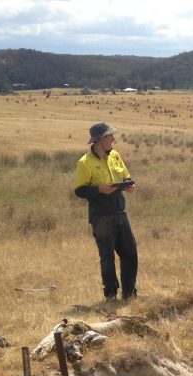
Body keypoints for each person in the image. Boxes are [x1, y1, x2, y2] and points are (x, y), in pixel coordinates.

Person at [73, 122, 139, 302]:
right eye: (110, 136)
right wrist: (99, 190)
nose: (114, 139)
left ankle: (129, 293)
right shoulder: (84, 163)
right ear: (101, 140)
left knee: (130, 252)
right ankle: (111, 294)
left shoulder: (115, 156)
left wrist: (129, 184)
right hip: (101, 215)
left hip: (120, 211)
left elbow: (126, 176)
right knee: (107, 255)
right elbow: (79, 190)